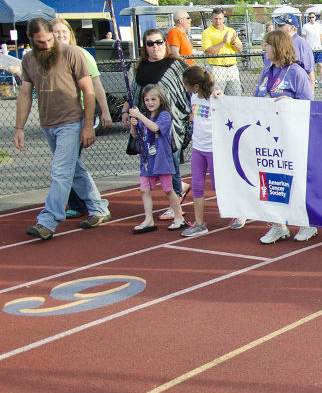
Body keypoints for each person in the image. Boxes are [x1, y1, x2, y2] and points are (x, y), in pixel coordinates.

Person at [15, 18, 110, 239]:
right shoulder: (28, 60)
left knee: (60, 172)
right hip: (48, 124)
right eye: (41, 42)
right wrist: (19, 128)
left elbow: (88, 90)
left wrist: (88, 125)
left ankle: (48, 220)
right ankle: (99, 207)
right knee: (73, 169)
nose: (47, 45)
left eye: (49, 40)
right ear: (30, 39)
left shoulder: (71, 54)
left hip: (71, 122)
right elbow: (25, 94)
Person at [254, 29, 316, 243]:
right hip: (270, 136)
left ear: (278, 47)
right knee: (270, 181)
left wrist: (291, 105)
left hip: (293, 138)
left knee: (297, 181)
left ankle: (306, 223)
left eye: (267, 46)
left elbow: (309, 105)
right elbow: (255, 99)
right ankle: (278, 225)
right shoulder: (266, 71)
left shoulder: (296, 73)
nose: (264, 49)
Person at [125, 29, 193, 222]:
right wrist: (126, 110)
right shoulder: (140, 68)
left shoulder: (176, 65)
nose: (155, 46)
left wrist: (191, 111)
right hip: (145, 121)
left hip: (169, 121)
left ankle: (176, 198)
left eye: (159, 42)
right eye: (150, 43)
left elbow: (190, 87)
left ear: (165, 43)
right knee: (153, 159)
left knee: (169, 157)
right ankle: (178, 189)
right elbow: (133, 92)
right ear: (144, 47)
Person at [49, 18, 112, 219]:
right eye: (56, 32)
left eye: (63, 32)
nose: (60, 36)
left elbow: (96, 85)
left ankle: (87, 204)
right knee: (71, 162)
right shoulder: (47, 58)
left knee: (68, 163)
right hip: (56, 117)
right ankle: (84, 202)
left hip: (80, 113)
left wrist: (105, 111)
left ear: (70, 34)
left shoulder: (82, 55)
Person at [129, 84, 187, 233]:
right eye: (147, 99)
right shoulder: (144, 116)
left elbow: (155, 128)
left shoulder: (165, 116)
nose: (150, 102)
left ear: (160, 99)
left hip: (161, 160)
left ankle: (178, 216)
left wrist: (139, 116)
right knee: (144, 190)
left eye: (153, 99)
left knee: (168, 190)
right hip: (147, 160)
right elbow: (136, 135)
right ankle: (148, 219)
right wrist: (134, 125)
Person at [179, 67, 223, 237]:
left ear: (195, 85)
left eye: (185, 84)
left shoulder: (214, 99)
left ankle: (238, 213)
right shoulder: (193, 98)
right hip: (198, 149)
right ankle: (199, 223)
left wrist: (220, 94)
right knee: (197, 185)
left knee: (216, 185)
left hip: (213, 149)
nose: (184, 87)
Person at [201, 8, 243, 96]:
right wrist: (223, 43)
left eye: (220, 19)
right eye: (215, 19)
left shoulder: (231, 31)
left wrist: (233, 43)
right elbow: (208, 51)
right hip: (217, 68)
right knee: (217, 96)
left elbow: (240, 49)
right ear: (212, 19)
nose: (218, 21)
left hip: (232, 68)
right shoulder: (207, 32)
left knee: (236, 95)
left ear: (223, 19)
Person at [272, 13, 317, 88]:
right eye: (277, 25)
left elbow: (310, 72)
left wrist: (310, 94)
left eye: (281, 25)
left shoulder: (302, 44)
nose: (278, 28)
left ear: (292, 27)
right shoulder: (278, 43)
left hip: (296, 89)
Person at [302, 12, 322, 87]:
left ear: (315, 17)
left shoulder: (318, 25)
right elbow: (303, 37)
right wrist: (304, 46)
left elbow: (320, 35)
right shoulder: (306, 26)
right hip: (310, 49)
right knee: (313, 65)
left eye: (313, 17)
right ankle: (314, 80)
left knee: (320, 64)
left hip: (318, 48)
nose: (311, 19)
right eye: (310, 17)